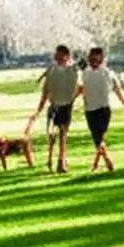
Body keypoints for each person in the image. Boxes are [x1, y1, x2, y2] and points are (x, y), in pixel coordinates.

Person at [75, 47, 124, 173]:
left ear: (103, 60)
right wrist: (70, 101)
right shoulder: (85, 73)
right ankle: (99, 163)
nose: (94, 63)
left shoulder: (108, 74)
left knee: (98, 138)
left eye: (97, 60)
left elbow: (118, 91)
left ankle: (108, 162)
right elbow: (81, 90)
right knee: (98, 139)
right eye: (92, 59)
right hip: (90, 111)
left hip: (104, 110)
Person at [27, 44, 79, 173]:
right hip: (54, 106)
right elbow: (45, 90)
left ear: (67, 56)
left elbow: (80, 87)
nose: (57, 58)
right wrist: (38, 110)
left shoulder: (73, 70)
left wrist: (72, 99)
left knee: (62, 133)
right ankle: (50, 159)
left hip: (66, 107)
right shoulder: (52, 70)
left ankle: (61, 161)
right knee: (51, 134)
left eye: (60, 55)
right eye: (56, 55)